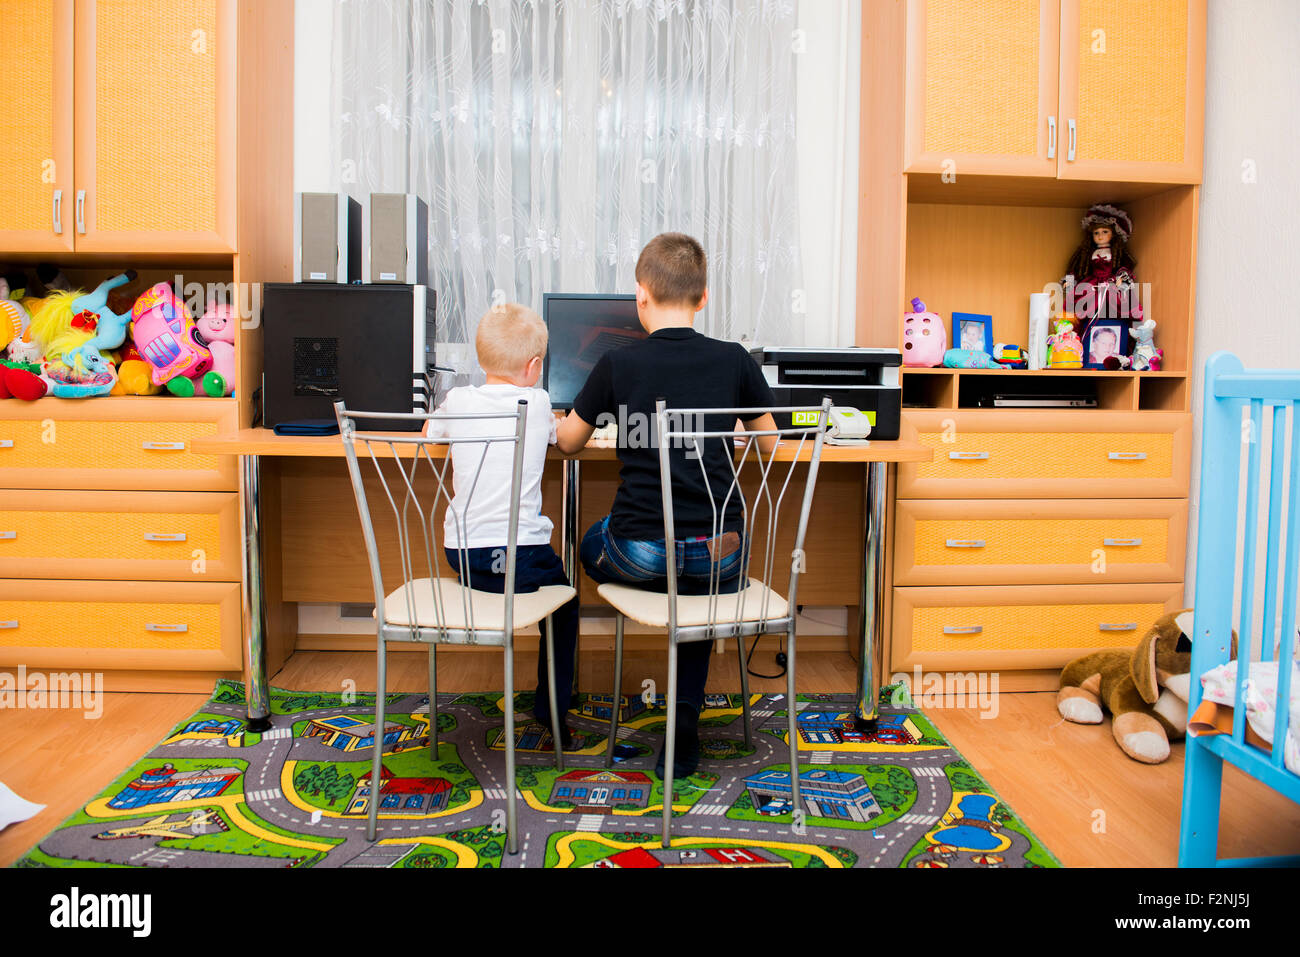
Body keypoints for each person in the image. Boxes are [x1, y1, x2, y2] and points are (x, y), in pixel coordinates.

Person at [554, 232, 778, 778]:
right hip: (720, 558)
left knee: (590, 541)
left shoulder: (616, 363)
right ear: (703, 299)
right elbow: (772, 446)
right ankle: (684, 722)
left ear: (641, 296)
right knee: (694, 584)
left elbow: (567, 445)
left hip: (639, 557)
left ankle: (566, 696)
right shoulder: (734, 361)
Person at [429, 303, 579, 748]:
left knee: (507, 574)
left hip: (465, 557)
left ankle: (494, 597)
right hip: (523, 557)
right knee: (564, 602)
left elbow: (427, 434)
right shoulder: (536, 403)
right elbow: (563, 438)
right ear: (534, 367)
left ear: (480, 359)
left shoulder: (457, 400)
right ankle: (551, 709)